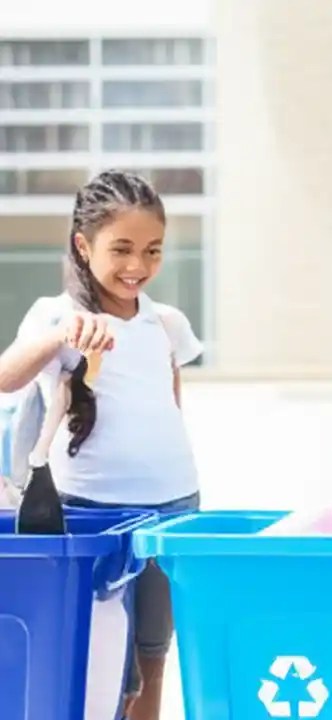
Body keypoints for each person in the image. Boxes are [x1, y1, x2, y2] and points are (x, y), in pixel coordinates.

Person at [0, 170, 203, 720]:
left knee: (153, 655)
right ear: (82, 246)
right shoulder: (56, 313)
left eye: (153, 250)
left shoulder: (167, 322)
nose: (138, 265)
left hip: (175, 508)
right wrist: (62, 337)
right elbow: (6, 378)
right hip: (92, 516)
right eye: (121, 249)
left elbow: (169, 405)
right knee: (101, 659)